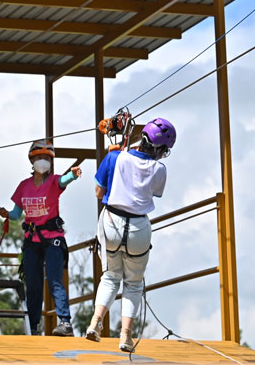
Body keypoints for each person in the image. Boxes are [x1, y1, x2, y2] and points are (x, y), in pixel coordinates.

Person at [85, 117, 176, 352]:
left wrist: (113, 157)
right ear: (161, 149)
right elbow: (153, 193)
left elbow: (98, 191)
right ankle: (125, 336)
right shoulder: (160, 170)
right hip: (138, 228)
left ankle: (95, 324)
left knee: (110, 276)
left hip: (111, 222)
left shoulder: (115, 157)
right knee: (133, 284)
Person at [0, 139, 82, 336]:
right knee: (33, 285)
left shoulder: (53, 182)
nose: (43, 161)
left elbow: (63, 181)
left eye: (46, 158)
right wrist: (6, 214)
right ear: (31, 160)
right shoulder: (24, 186)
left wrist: (73, 175)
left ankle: (65, 323)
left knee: (54, 281)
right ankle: (33, 327)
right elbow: (18, 214)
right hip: (32, 241)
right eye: (39, 157)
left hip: (52, 239)